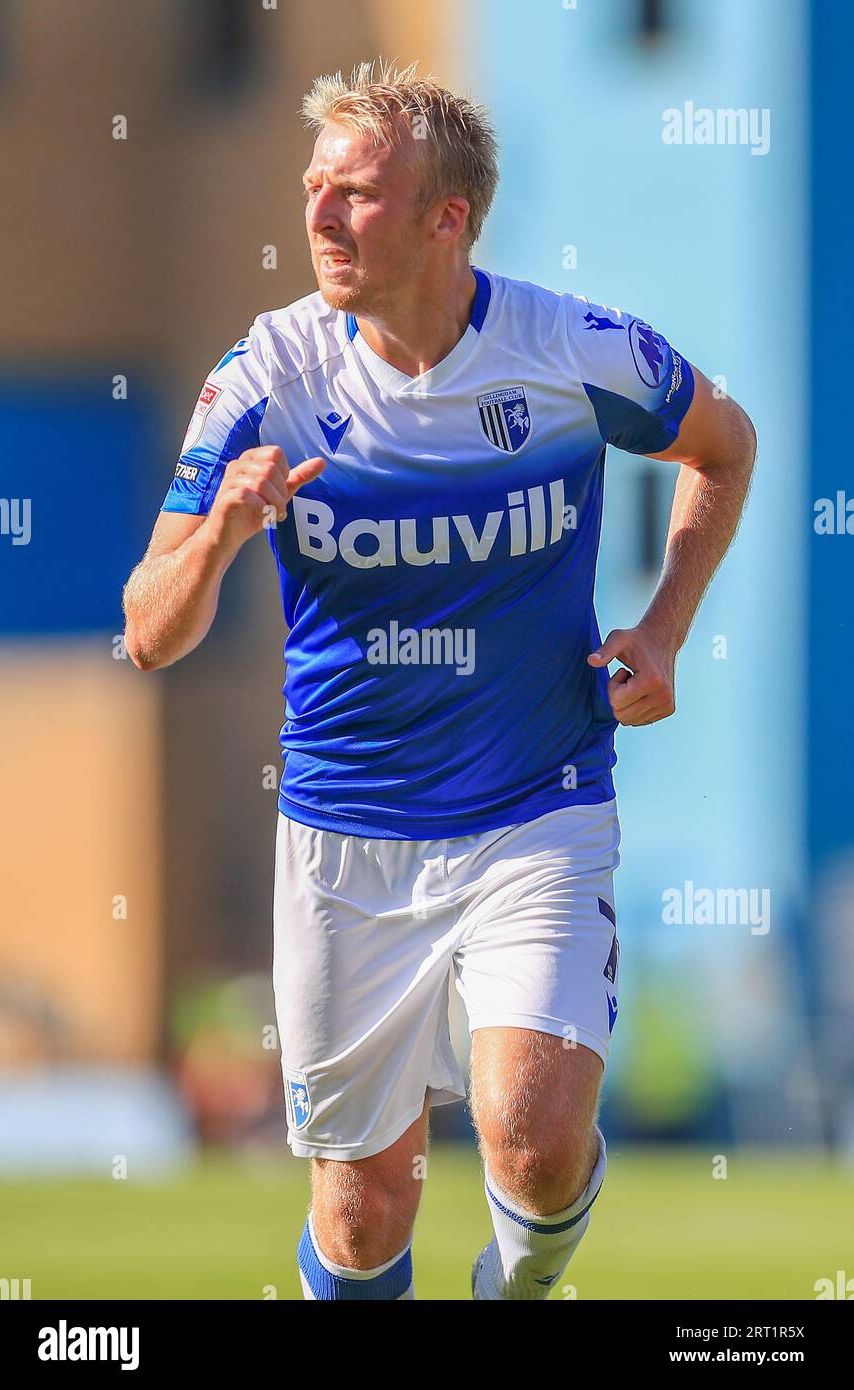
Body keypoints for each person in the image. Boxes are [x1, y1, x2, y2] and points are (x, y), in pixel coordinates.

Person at [123, 60, 756, 1301]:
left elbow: (721, 445)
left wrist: (665, 625)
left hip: (537, 804)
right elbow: (147, 632)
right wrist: (219, 534)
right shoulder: (266, 379)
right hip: (346, 839)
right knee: (362, 1218)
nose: (317, 215)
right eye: (314, 188)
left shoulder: (568, 352)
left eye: (354, 194)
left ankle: (510, 1289)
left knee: (533, 1131)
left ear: (444, 218)